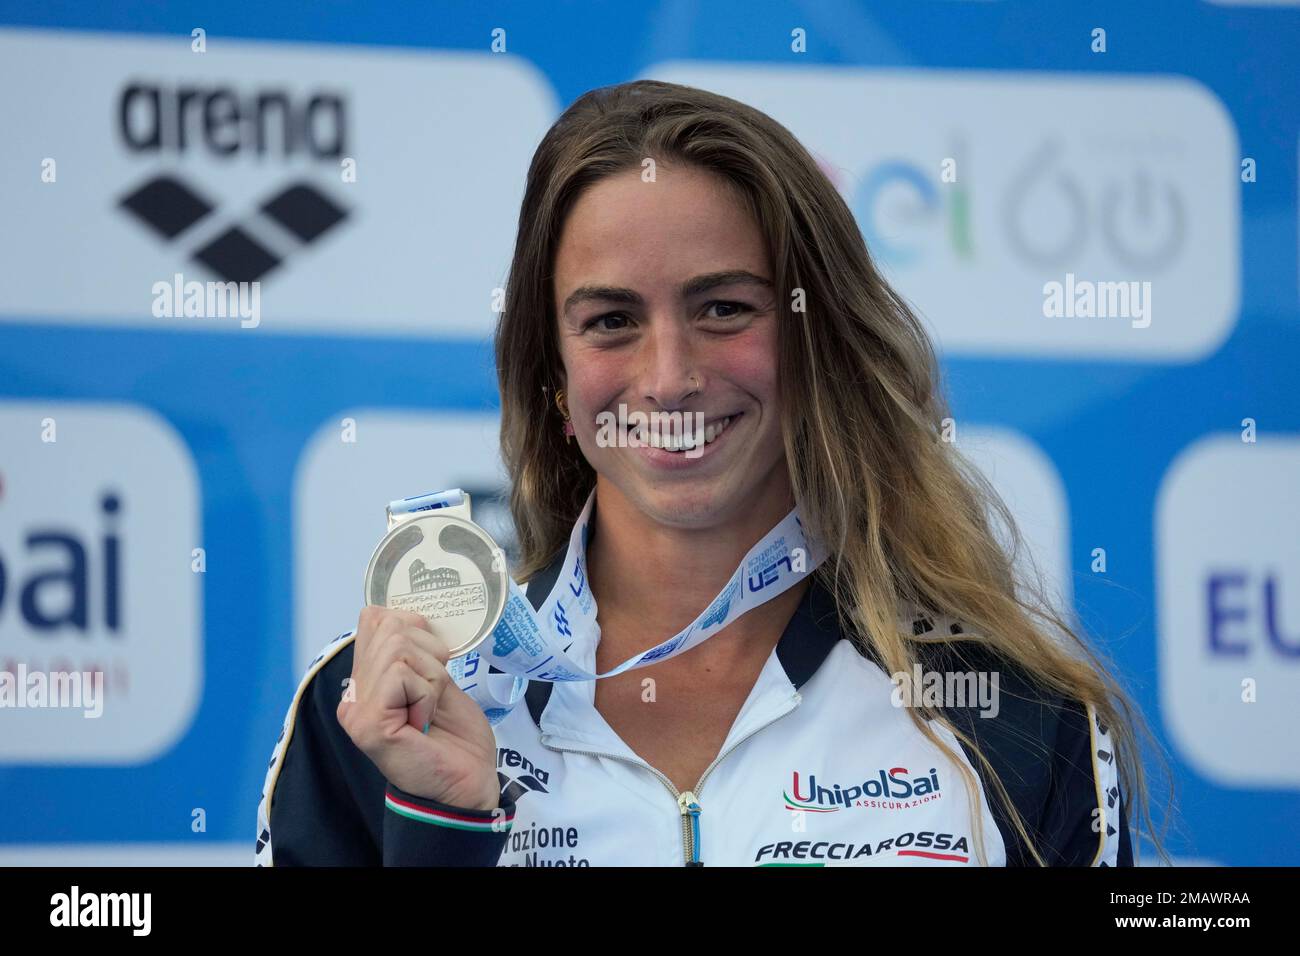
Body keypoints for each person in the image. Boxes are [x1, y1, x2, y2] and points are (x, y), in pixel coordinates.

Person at [255, 79, 1165, 867]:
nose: (669, 377)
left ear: (819, 343)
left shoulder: (1009, 717)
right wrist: (439, 831)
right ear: (554, 378)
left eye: (724, 307)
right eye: (611, 321)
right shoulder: (380, 710)